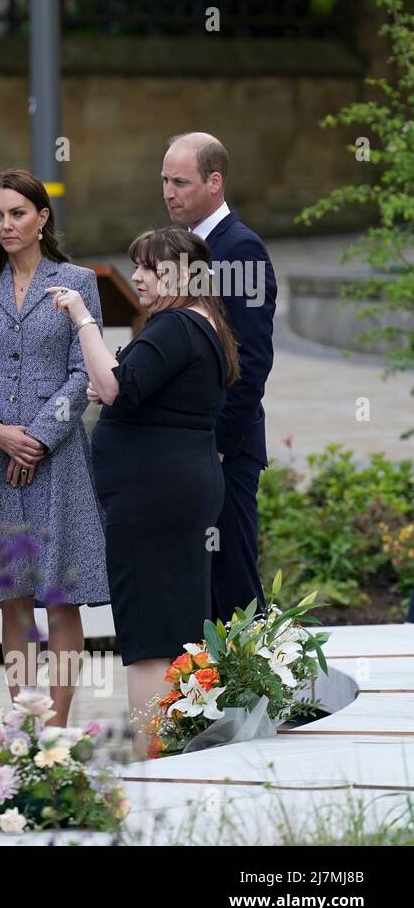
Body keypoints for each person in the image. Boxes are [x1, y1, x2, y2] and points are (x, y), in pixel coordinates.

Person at [52, 227, 241, 758]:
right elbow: (135, 388)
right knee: (178, 627)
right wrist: (114, 384)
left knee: (148, 635)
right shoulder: (204, 325)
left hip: (151, 496)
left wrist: (82, 318)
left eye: (149, 268)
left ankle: (151, 760)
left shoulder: (175, 325)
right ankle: (182, 750)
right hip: (178, 489)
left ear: (183, 275)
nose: (136, 276)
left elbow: (115, 387)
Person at [0, 168, 110, 728]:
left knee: (59, 595)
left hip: (56, 460)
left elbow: (80, 371)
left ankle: (58, 731)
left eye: (18, 213)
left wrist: (36, 435)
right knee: (13, 596)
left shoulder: (77, 281)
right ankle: (24, 725)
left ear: (42, 218)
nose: (7, 224)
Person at [162, 132, 276, 624]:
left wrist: (220, 443)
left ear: (214, 181)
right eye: (164, 180)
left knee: (234, 587)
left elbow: (250, 362)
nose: (169, 192)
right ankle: (203, 697)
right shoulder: (185, 249)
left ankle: (264, 699)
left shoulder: (239, 249)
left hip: (223, 448)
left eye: (180, 182)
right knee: (200, 587)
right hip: (189, 445)